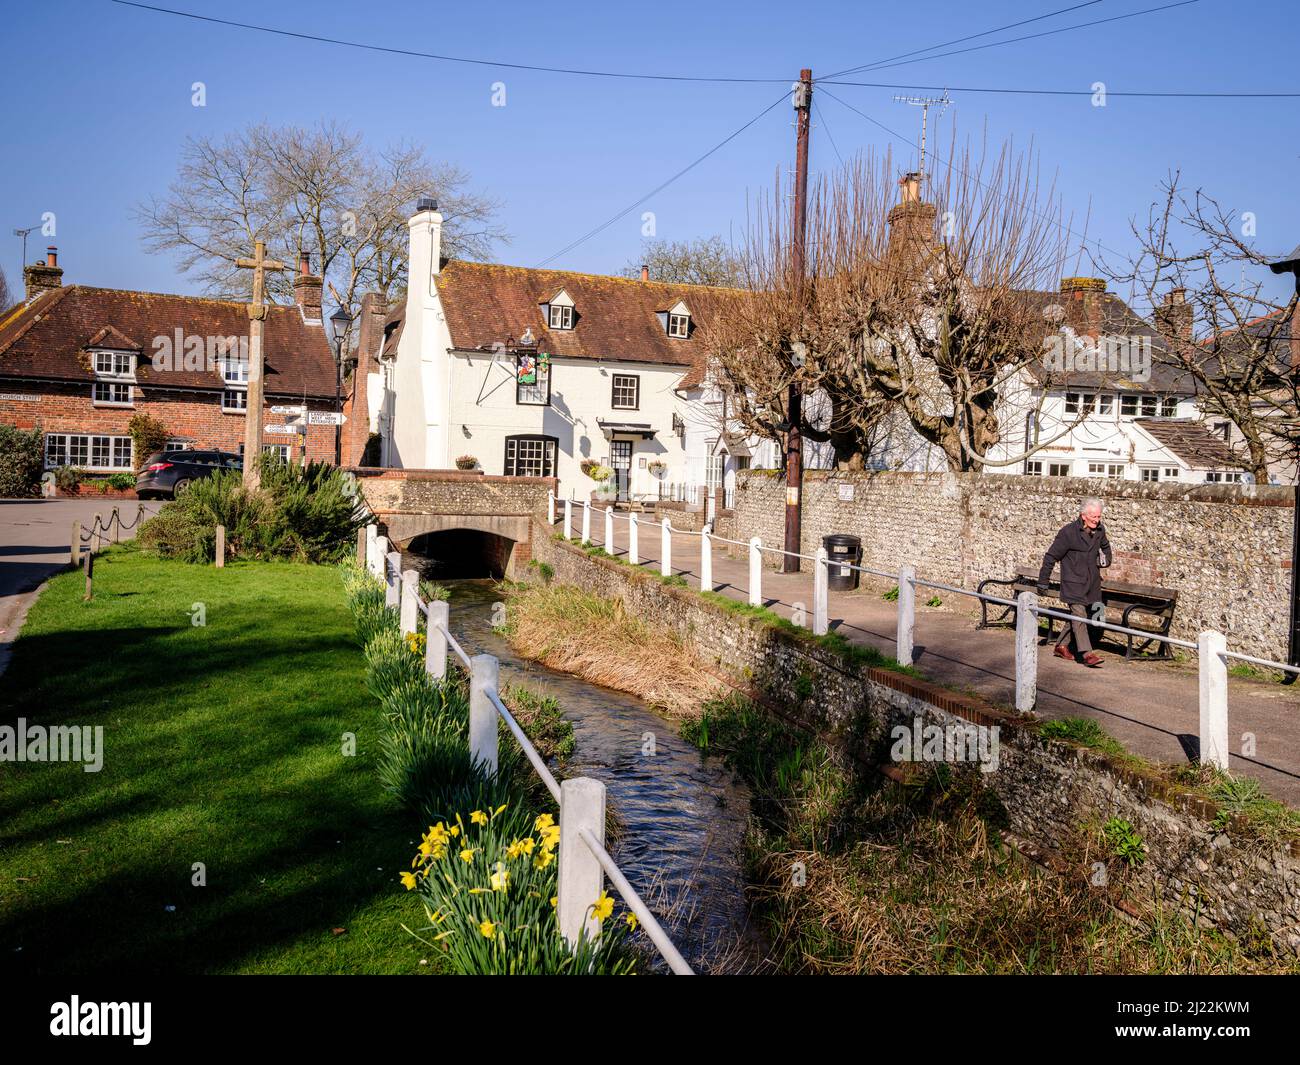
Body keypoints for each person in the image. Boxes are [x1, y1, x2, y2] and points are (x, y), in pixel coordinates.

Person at [1037, 498, 1112, 668]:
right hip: (1073, 583)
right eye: (1093, 516)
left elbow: (1106, 548)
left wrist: (1105, 560)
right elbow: (1051, 556)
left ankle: (1061, 645)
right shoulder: (1068, 532)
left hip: (1092, 584)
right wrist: (1043, 581)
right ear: (1083, 515)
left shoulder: (1100, 530)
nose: (1097, 520)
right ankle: (1087, 654)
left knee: (1091, 616)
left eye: (1099, 516)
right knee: (1080, 615)